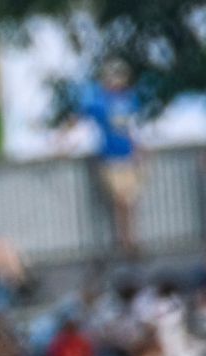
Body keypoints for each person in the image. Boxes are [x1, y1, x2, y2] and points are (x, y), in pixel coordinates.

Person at [82, 60, 143, 255]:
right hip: (110, 158)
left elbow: (131, 128)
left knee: (129, 200)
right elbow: (82, 118)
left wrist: (138, 149)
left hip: (127, 157)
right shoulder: (100, 102)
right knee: (121, 199)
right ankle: (124, 239)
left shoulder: (128, 100)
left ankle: (130, 238)